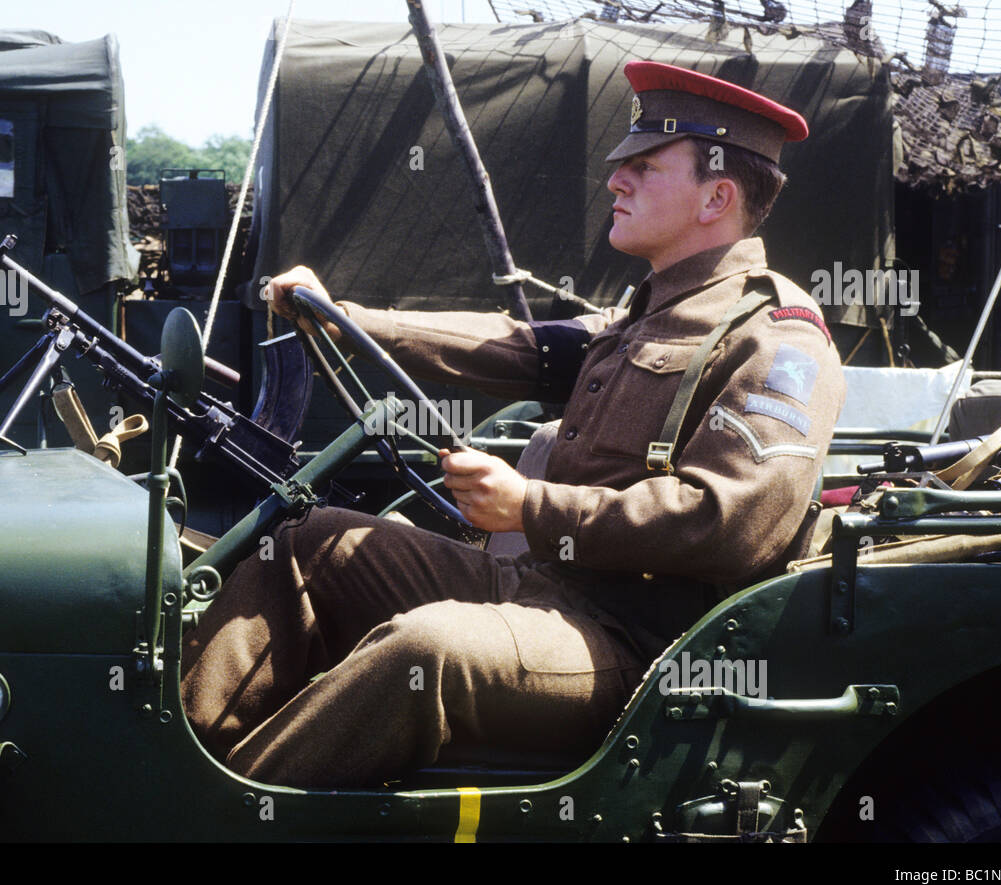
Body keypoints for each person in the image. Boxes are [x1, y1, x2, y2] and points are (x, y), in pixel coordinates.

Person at [180, 61, 846, 788]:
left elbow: (731, 521)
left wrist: (529, 505)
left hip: (640, 645)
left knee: (426, 651)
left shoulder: (778, 338)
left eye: (645, 168)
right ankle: (184, 760)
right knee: (311, 541)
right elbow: (515, 345)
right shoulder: (647, 314)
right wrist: (348, 321)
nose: (616, 181)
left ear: (717, 195)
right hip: (536, 589)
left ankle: (216, 814)